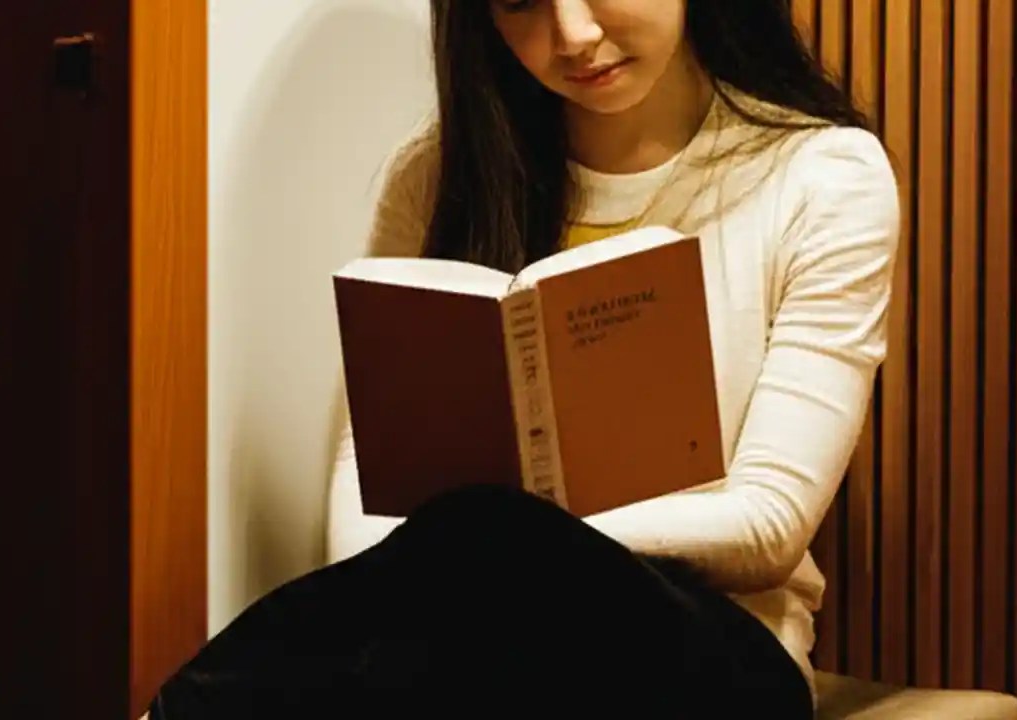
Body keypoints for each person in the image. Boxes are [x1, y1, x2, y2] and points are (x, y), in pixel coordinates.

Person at [148, 0, 898, 717]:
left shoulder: (823, 177)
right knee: (453, 609)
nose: (572, 34)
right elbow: (366, 487)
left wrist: (510, 536)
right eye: (518, 2)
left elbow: (769, 526)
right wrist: (474, 551)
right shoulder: (438, 178)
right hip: (472, 642)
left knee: (485, 538)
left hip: (712, 651)